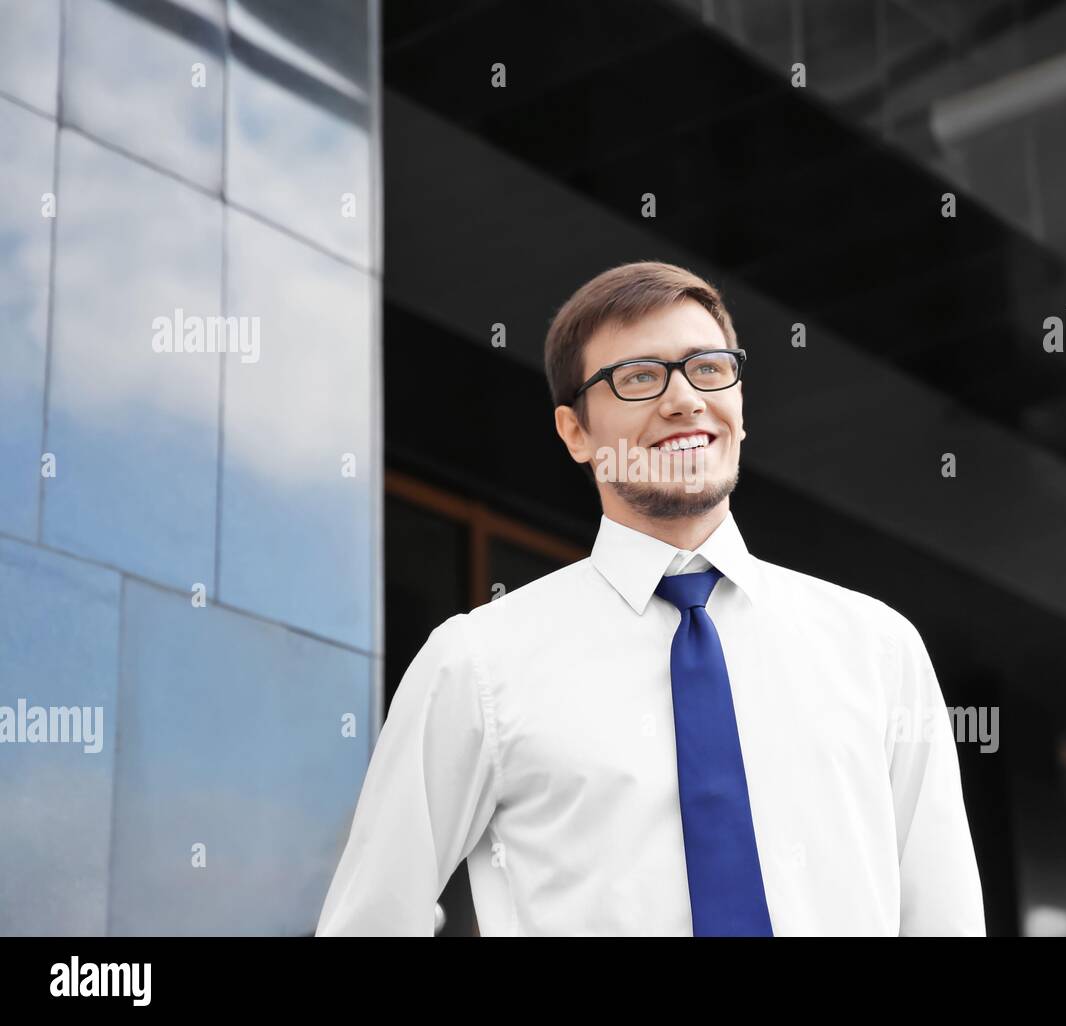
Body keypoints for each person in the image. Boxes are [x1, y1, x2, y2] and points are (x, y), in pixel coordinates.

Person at [315, 260, 986, 936]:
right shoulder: (477, 663)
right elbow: (373, 917)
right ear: (575, 433)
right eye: (638, 377)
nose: (685, 399)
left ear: (740, 405)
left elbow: (945, 918)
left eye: (709, 368)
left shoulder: (879, 650)